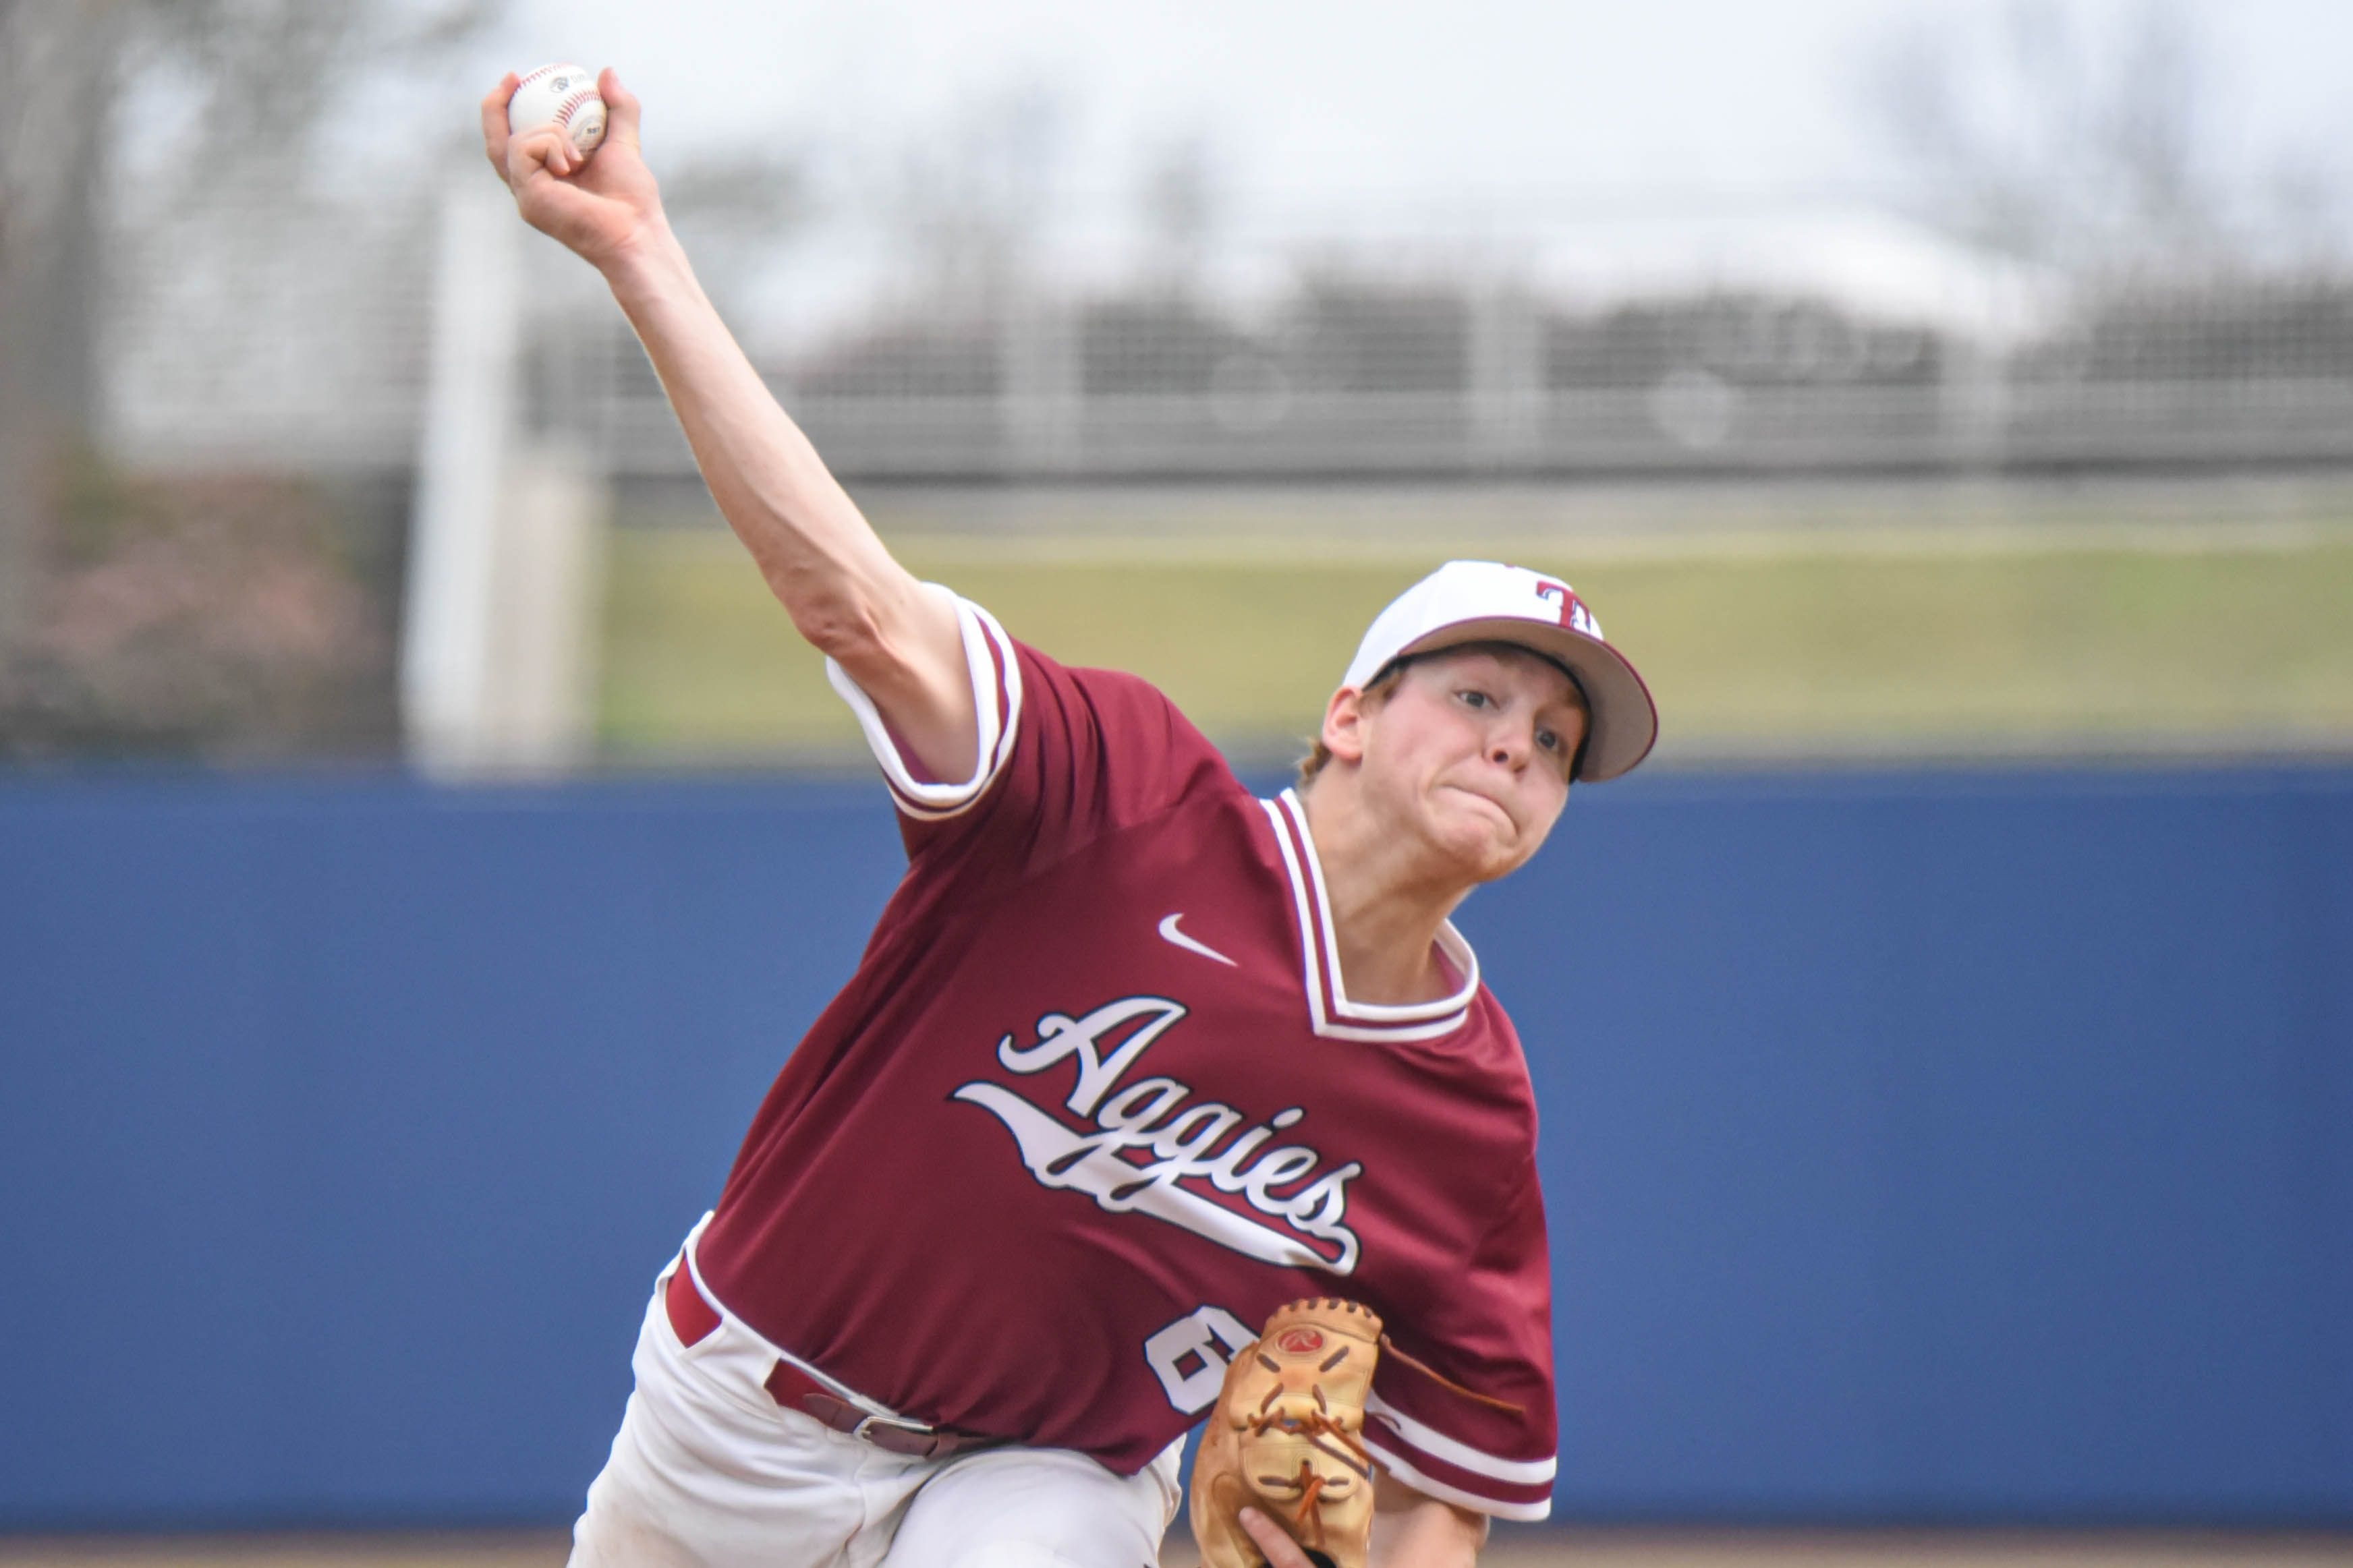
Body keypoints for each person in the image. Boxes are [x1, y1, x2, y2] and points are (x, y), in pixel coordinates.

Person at [482, 68, 1657, 1568]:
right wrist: (639, 251)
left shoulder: (1467, 1105)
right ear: (1351, 713)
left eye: (1556, 741)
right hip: (736, 1424)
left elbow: (1454, 1471)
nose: (1518, 747)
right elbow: (857, 609)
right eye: (1483, 697)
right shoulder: (1120, 792)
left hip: (1041, 1478)